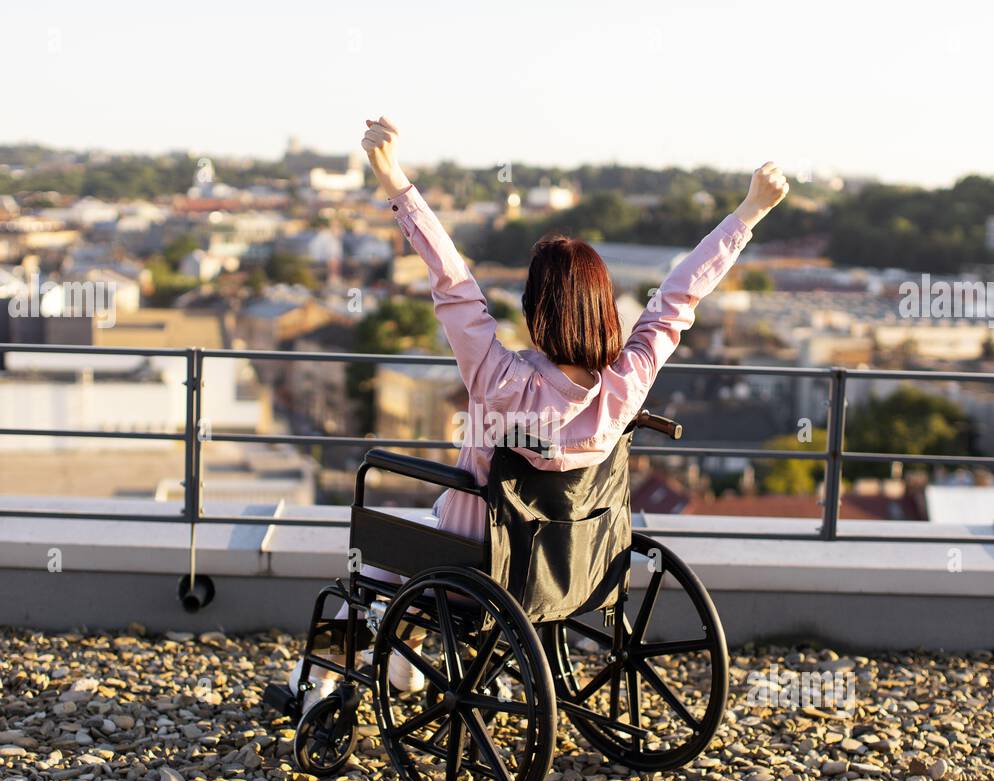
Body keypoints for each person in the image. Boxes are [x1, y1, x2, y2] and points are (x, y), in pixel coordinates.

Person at [296, 115, 788, 704]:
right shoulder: (626, 384)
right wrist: (749, 212)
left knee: (376, 554)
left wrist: (395, 181)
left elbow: (452, 281)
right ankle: (405, 662)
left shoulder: (499, 380)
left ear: (534, 311)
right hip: (571, 560)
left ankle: (320, 683)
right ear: (605, 307)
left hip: (479, 560)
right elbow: (680, 296)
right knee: (421, 532)